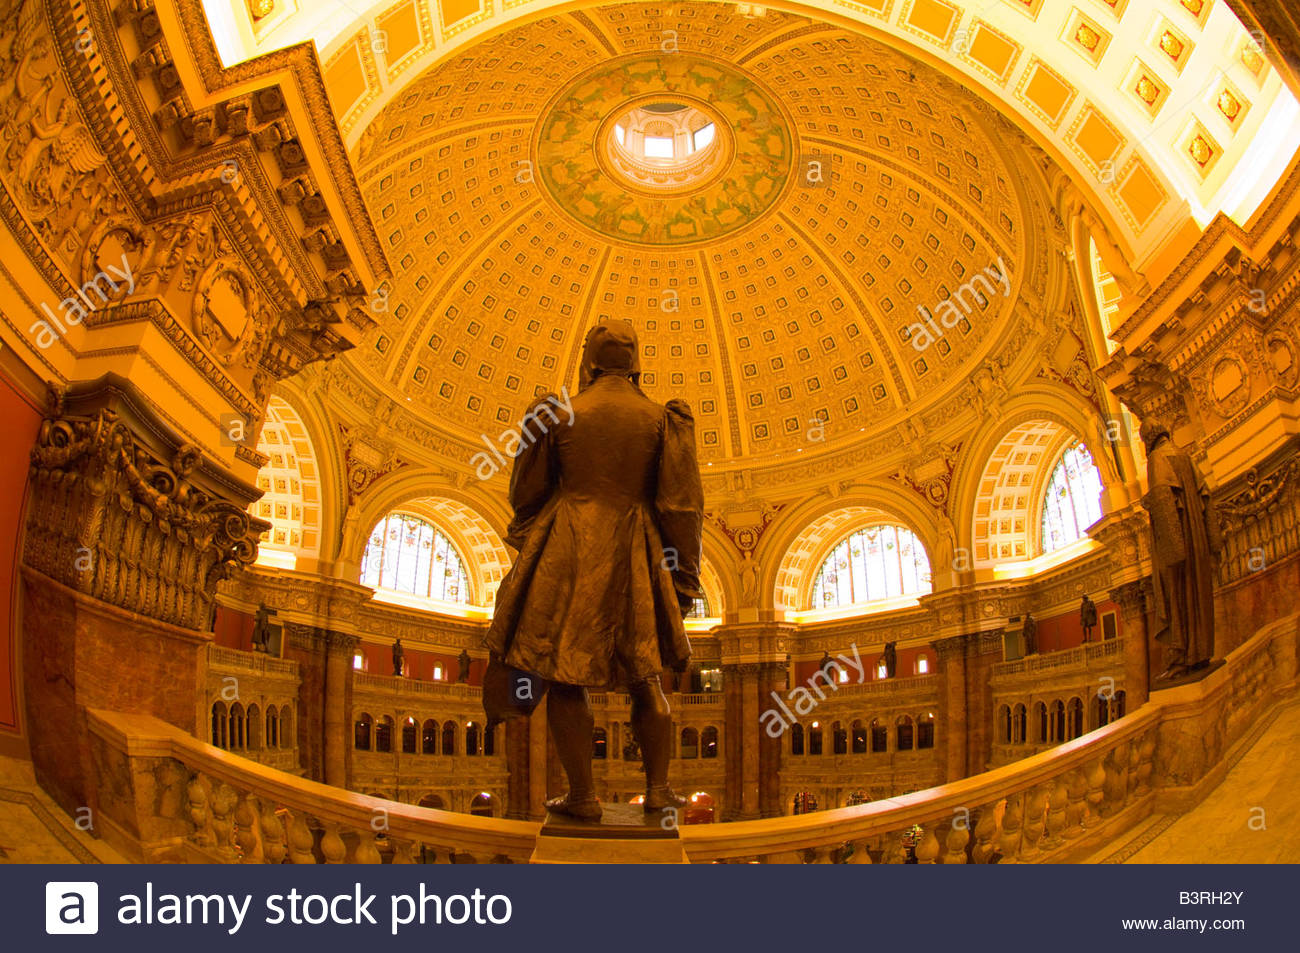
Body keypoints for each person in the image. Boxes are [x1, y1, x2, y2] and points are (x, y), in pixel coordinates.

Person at [483, 320, 704, 820]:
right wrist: (684, 577)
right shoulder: (664, 419)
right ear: (637, 363)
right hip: (636, 551)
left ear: (588, 360)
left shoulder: (557, 414)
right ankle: (659, 790)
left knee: (566, 679)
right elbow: (681, 506)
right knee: (646, 676)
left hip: (567, 550)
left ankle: (581, 797)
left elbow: (526, 495)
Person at [1141, 419, 1222, 680]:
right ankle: (1200, 654)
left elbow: (1164, 500)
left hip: (1177, 544)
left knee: (1177, 597)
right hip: (1196, 538)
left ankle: (1182, 656)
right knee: (1197, 593)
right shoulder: (1184, 456)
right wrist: (1212, 541)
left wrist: (1173, 552)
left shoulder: (1156, 458)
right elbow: (1205, 497)